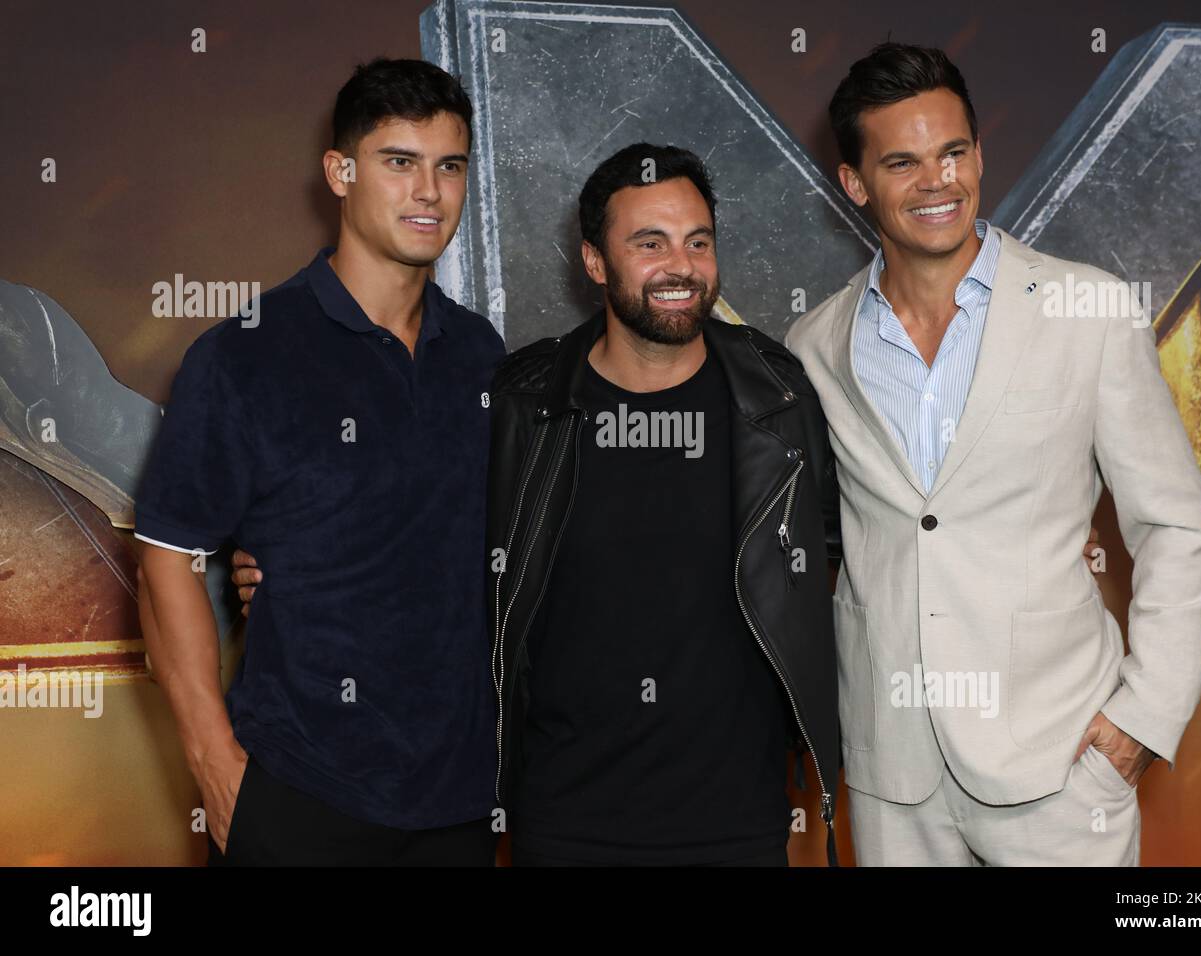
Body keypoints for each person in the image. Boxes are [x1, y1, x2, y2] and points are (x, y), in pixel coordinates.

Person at [239, 143, 843, 866]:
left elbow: (825, 558)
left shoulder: (778, 397)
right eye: (649, 243)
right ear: (595, 262)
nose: (680, 266)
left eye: (698, 242)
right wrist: (296, 568)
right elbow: (426, 531)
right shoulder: (523, 403)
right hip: (564, 819)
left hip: (736, 820)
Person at [786, 42, 1201, 866]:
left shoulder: (1085, 308)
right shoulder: (815, 345)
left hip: (1061, 764)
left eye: (953, 153)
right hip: (892, 770)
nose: (938, 182)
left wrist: (1143, 718)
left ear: (979, 154)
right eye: (903, 162)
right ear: (854, 183)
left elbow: (1177, 527)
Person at [135, 58, 501, 866]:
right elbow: (167, 559)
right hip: (301, 792)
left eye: (450, 166)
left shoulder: (480, 353)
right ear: (340, 172)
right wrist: (214, 764)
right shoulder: (243, 355)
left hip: (461, 801)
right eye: (399, 162)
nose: (429, 193)